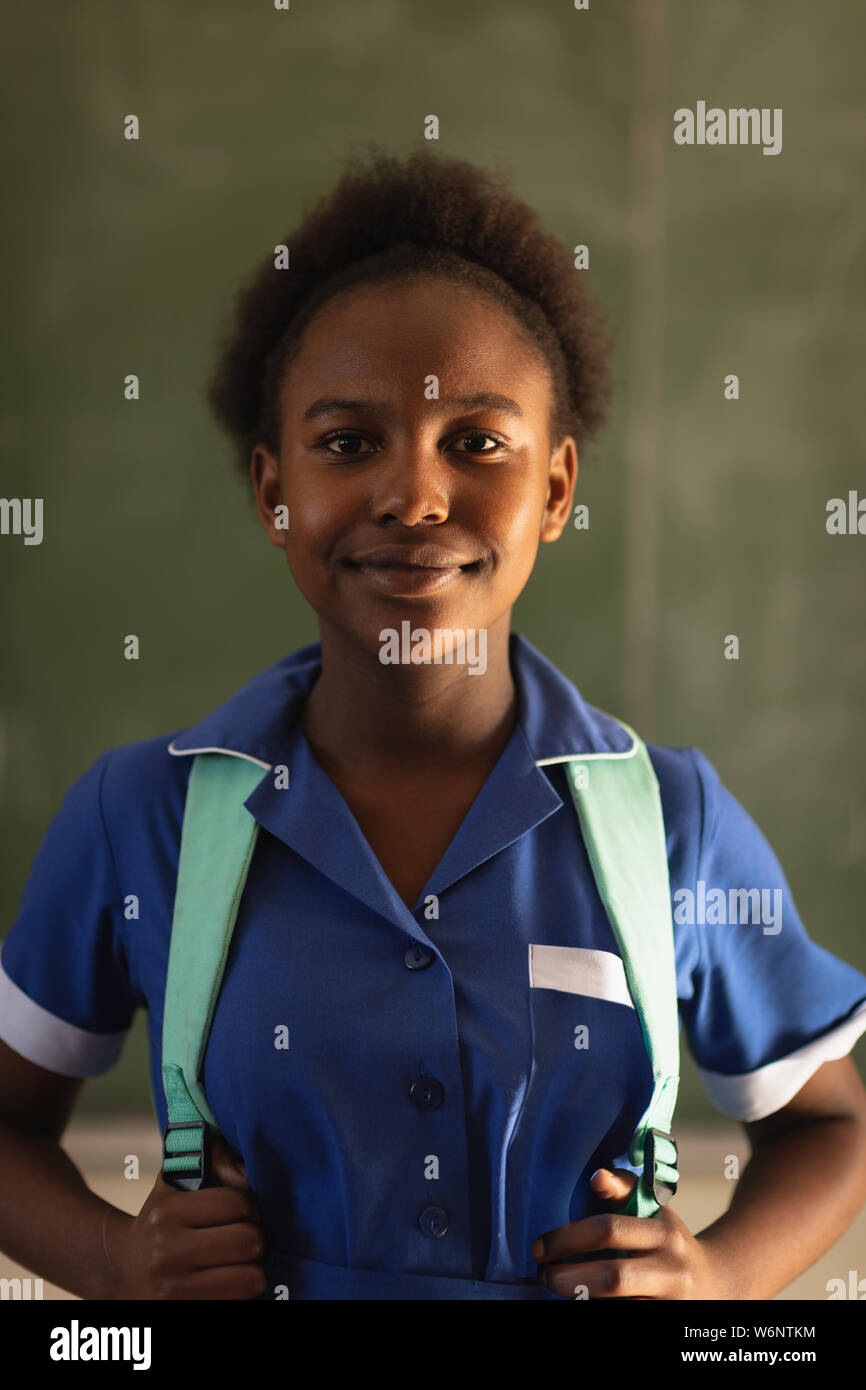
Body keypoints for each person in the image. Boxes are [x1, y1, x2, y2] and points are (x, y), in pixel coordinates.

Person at [1, 146, 866, 1302]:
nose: (412, 495)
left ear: (555, 490)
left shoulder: (669, 821)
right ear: (272, 490)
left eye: (476, 441)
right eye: (348, 443)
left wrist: (712, 1280)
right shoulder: (140, 816)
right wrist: (112, 1258)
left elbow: (828, 1128)